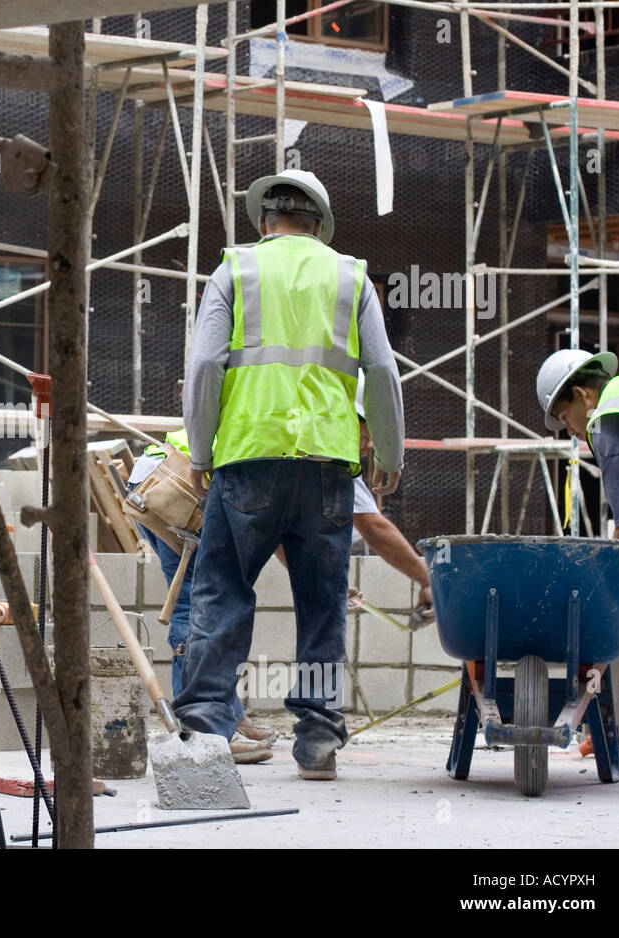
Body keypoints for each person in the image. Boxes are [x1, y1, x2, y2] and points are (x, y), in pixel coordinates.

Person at [177, 169, 405, 781]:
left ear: (262, 223)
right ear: (321, 226)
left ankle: (204, 729)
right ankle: (317, 742)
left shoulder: (236, 270)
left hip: (248, 456)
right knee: (322, 603)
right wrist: (389, 453)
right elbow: (382, 372)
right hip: (328, 466)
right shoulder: (350, 276)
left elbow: (203, 367)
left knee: (222, 590)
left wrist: (200, 451)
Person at [126, 428, 276, 763]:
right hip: (175, 488)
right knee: (194, 603)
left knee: (209, 602)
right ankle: (199, 731)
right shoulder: (291, 448)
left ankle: (228, 715)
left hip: (167, 479)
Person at [349, 372, 433, 624]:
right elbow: (372, 526)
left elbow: (278, 536)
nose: (367, 447)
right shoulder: (329, 459)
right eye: (366, 435)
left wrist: (327, 586)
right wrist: (429, 581)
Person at [535, 347, 619, 539]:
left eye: (564, 417)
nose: (568, 430)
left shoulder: (608, 417)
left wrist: (608, 569)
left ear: (580, 394)